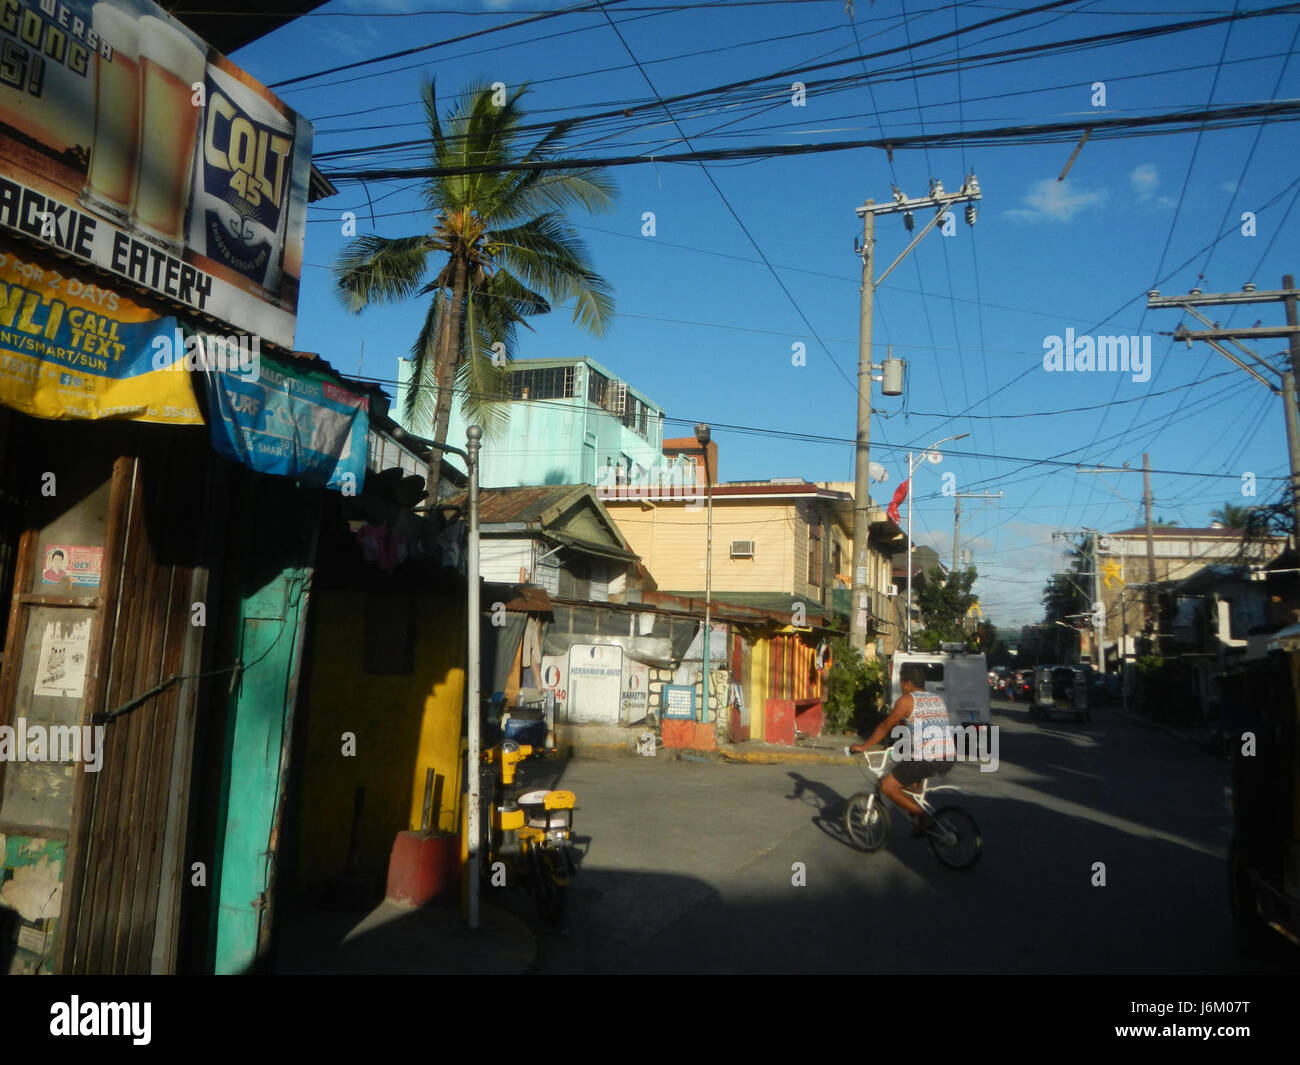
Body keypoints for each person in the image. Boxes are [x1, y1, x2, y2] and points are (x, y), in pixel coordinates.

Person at [850, 663, 955, 833]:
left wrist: (863, 746)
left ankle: (923, 816)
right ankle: (918, 814)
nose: (900, 686)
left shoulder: (907, 700)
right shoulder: (937, 699)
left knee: (887, 786)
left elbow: (885, 726)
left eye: (900, 682)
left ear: (906, 683)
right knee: (907, 776)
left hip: (926, 758)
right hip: (948, 756)